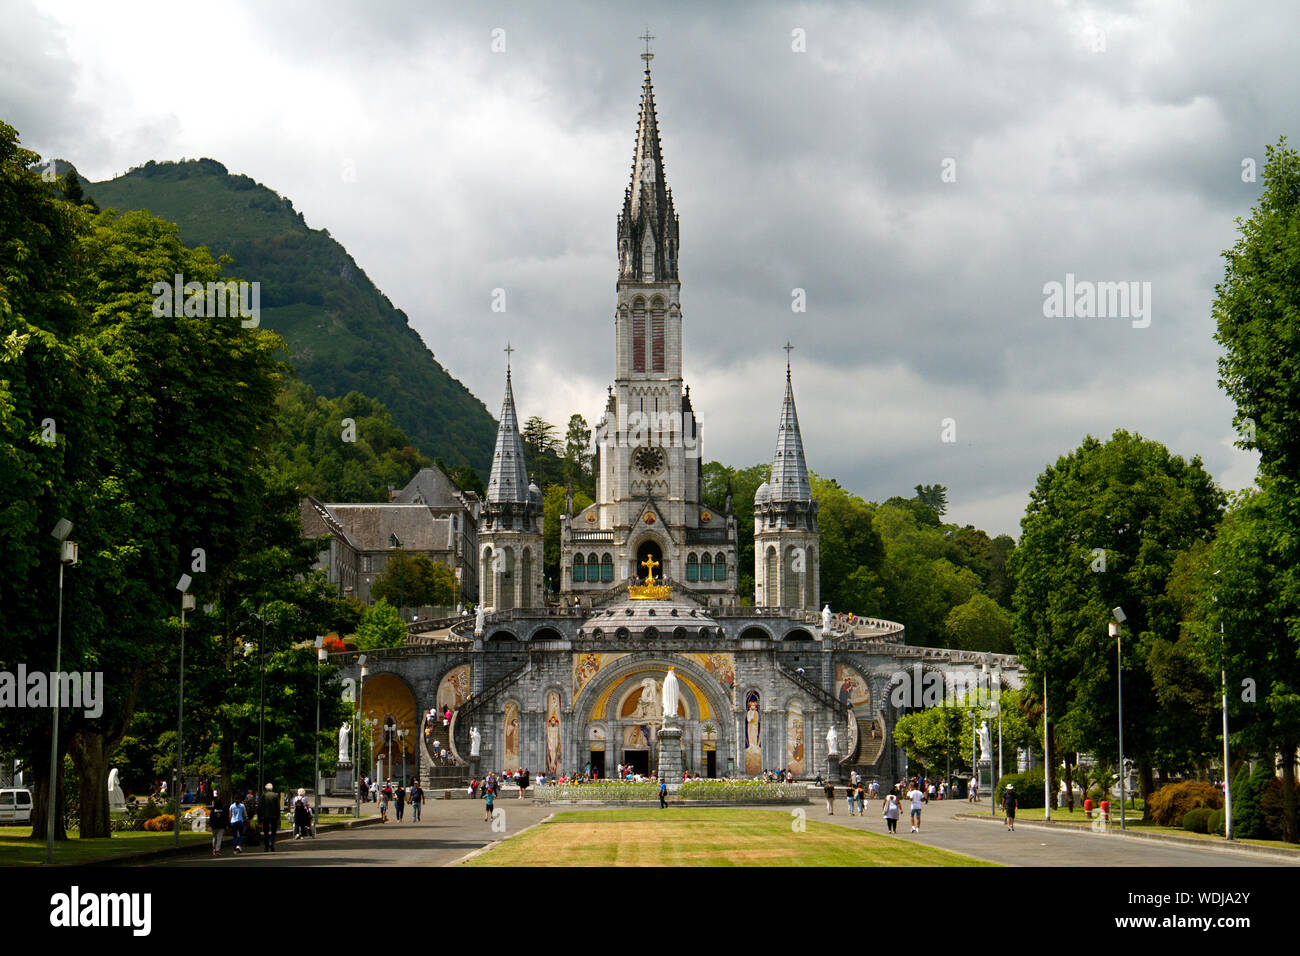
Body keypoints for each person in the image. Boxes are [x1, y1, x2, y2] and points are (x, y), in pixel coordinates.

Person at [258, 782, 280, 852]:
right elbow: (277, 807)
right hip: (274, 816)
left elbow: (260, 807)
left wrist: (259, 818)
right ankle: (271, 842)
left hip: (265, 816)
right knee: (273, 831)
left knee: (266, 831)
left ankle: (266, 846)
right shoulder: (275, 795)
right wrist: (278, 817)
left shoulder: (263, 796)